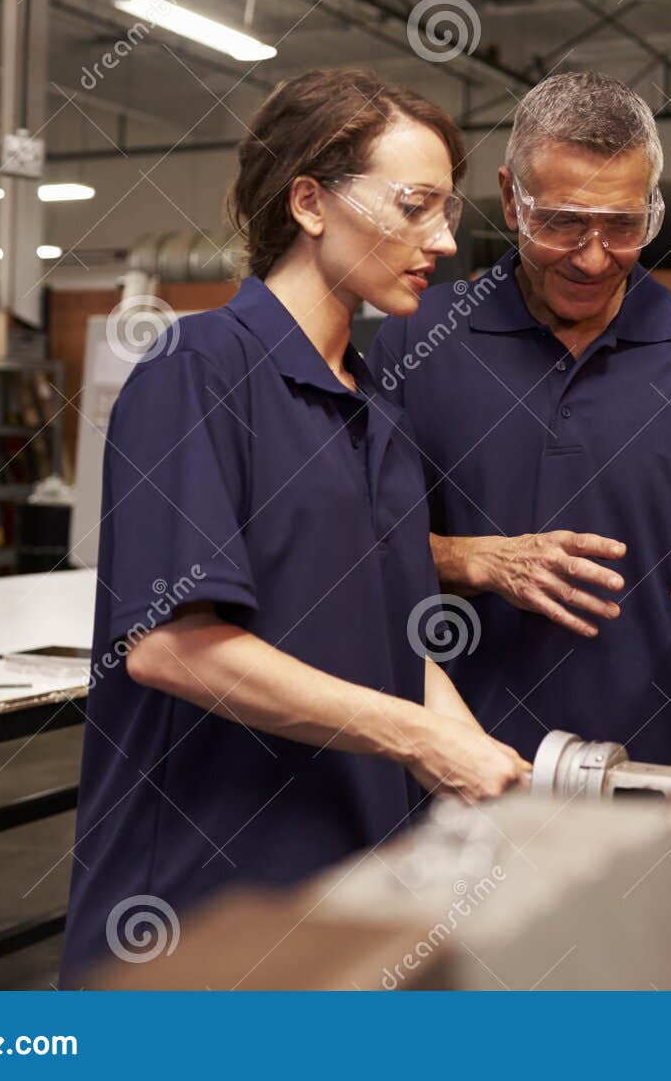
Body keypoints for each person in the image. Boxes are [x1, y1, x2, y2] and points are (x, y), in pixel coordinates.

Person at [60, 68, 528, 984]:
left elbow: (384, 633)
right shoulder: (195, 374)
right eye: (415, 205)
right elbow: (174, 649)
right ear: (311, 201)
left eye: (446, 210)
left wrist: (480, 764)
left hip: (348, 892)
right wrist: (422, 740)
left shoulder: (375, 404)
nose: (442, 239)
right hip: (199, 913)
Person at [370, 72, 671, 768]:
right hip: (446, 762)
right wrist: (476, 560)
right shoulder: (419, 340)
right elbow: (357, 541)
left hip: (641, 766)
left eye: (623, 226)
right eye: (561, 222)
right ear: (510, 198)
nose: (593, 258)